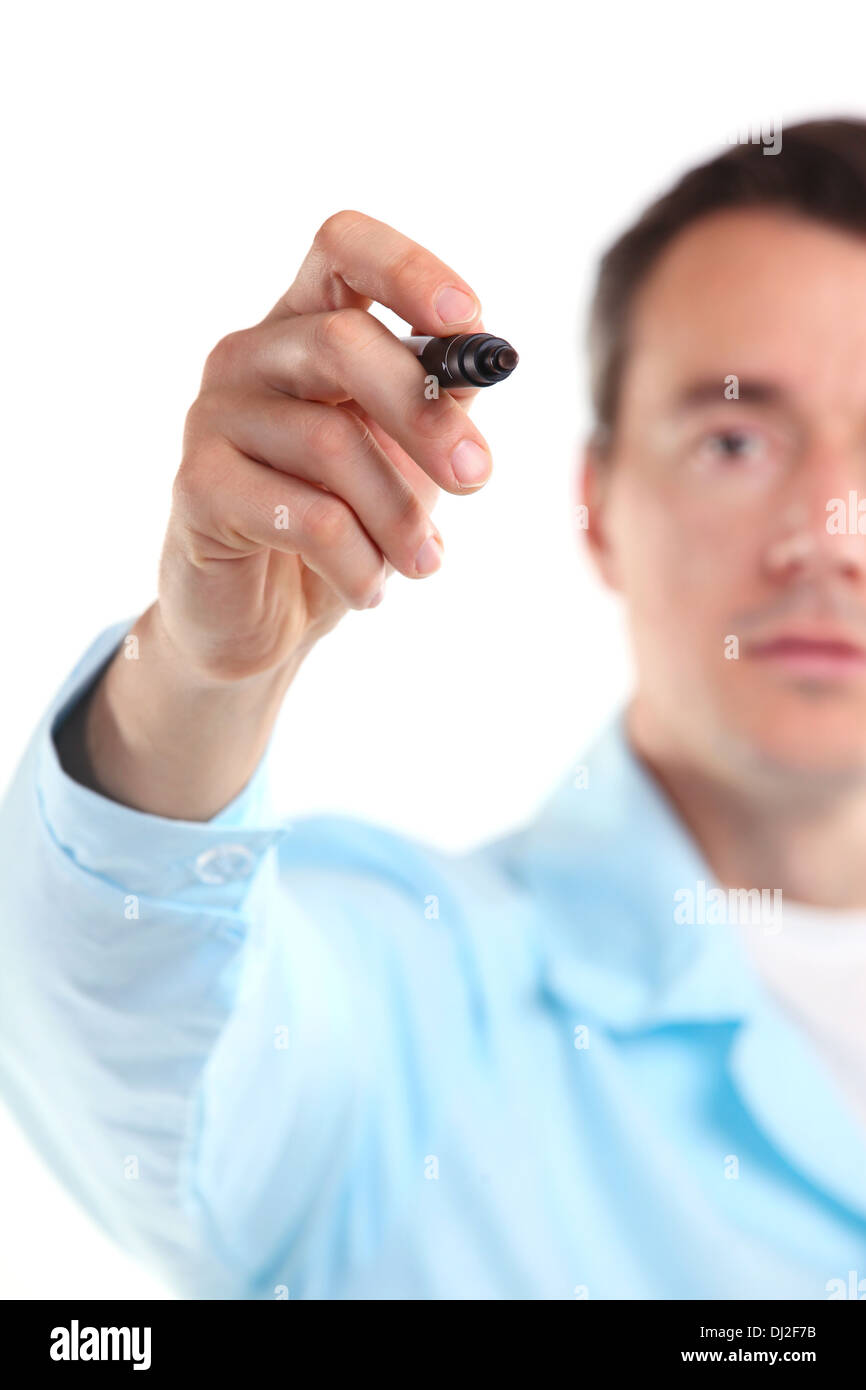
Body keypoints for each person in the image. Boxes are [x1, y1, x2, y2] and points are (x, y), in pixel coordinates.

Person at [3, 118, 866, 1301]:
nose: (827, 536)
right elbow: (147, 1052)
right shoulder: (403, 1009)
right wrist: (201, 685)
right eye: (732, 438)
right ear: (598, 506)